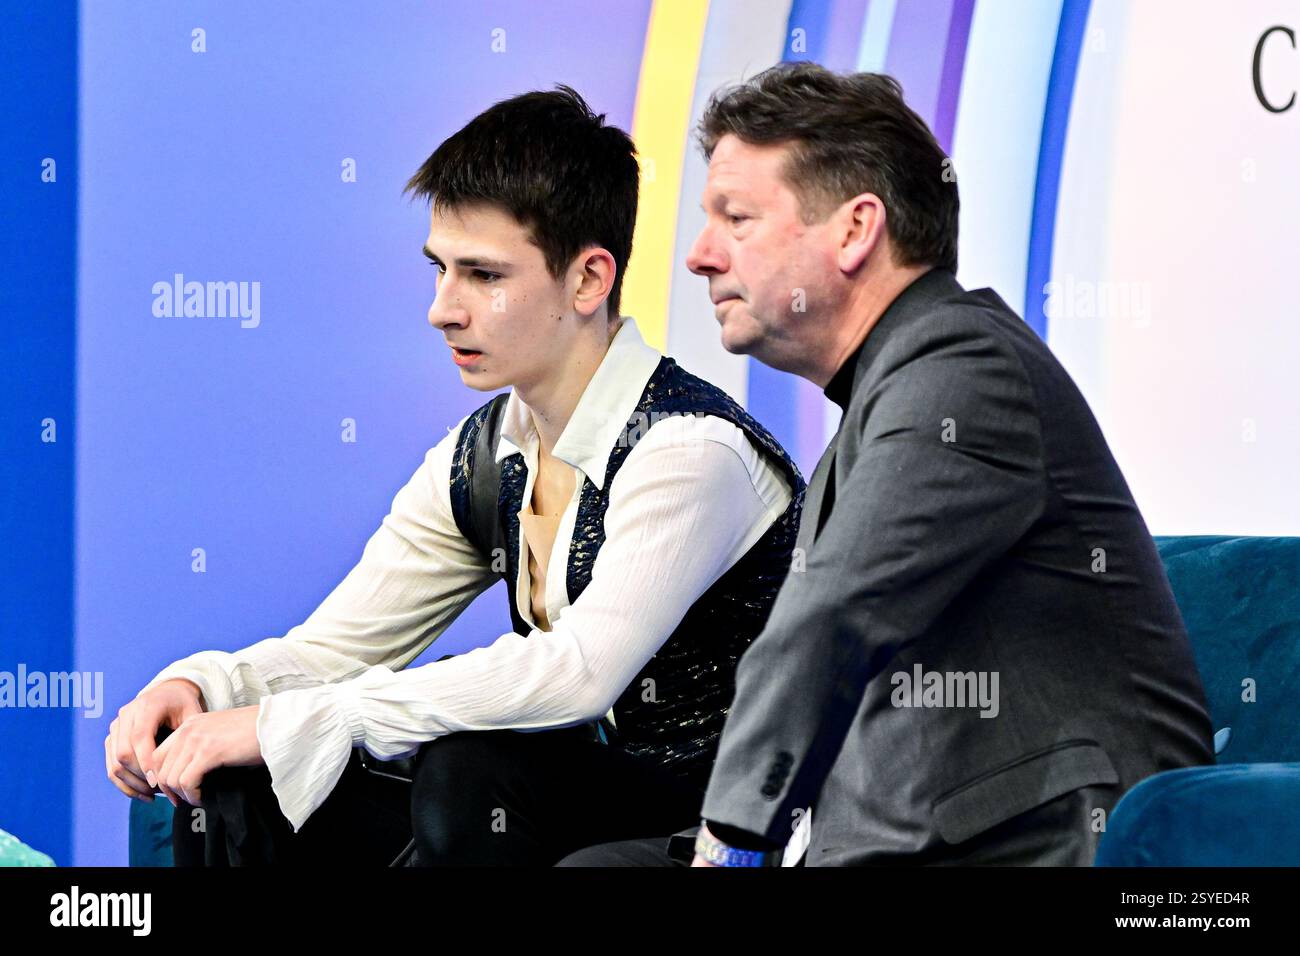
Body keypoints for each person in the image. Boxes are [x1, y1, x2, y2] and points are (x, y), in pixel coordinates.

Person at [103, 86, 804, 866]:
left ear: (588, 280)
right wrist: (207, 690)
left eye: (483, 275)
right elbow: (336, 651)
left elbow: (577, 674)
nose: (443, 309)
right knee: (233, 780)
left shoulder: (690, 448)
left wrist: (296, 723)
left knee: (470, 771)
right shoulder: (482, 455)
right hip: (572, 803)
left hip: (721, 822)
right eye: (440, 269)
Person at [558, 63, 1214, 868]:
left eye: (736, 218)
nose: (698, 256)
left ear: (855, 230)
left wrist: (729, 840)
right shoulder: (885, 398)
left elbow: (834, 616)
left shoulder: (965, 366)